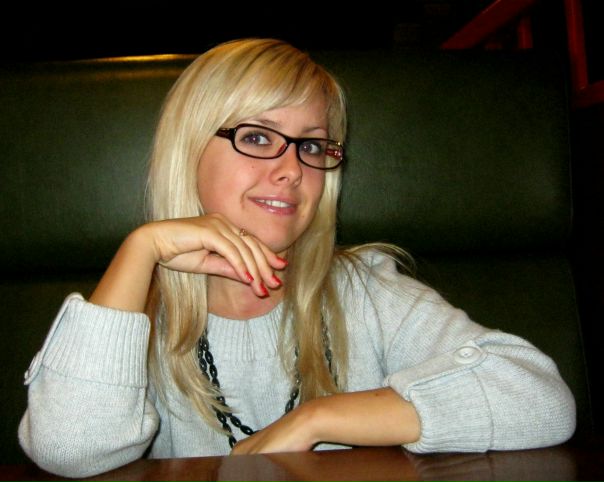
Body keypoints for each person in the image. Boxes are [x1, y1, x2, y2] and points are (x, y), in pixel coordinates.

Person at [18, 38, 576, 478]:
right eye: (259, 137)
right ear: (189, 148)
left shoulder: (363, 290)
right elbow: (70, 449)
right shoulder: (131, 318)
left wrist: (317, 418)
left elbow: (540, 399)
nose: (291, 169)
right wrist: (140, 250)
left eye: (311, 145)